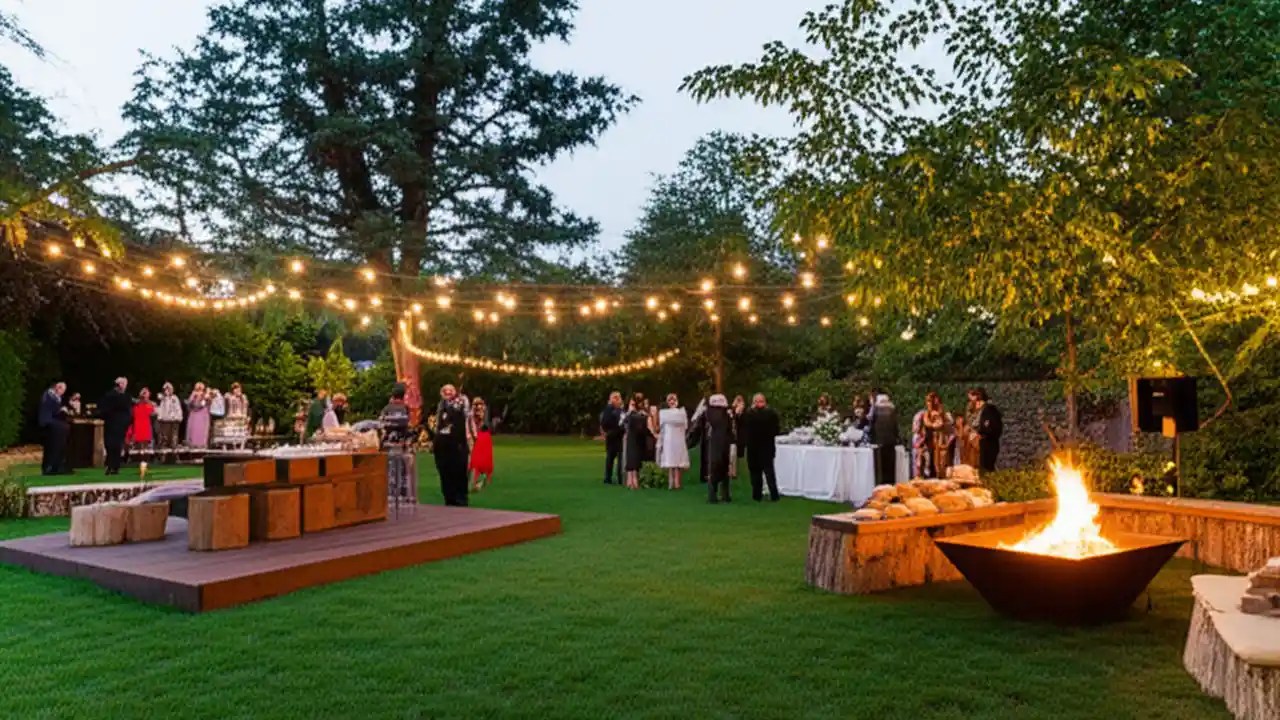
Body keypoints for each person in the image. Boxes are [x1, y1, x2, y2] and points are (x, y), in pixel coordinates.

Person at [430, 384, 470, 506]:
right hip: (442, 444)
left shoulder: (461, 401)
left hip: (457, 443)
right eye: (445, 391)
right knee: (444, 471)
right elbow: (437, 424)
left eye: (450, 390)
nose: (447, 392)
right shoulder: (441, 405)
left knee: (459, 471)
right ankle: (449, 497)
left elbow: (466, 415)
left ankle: (460, 498)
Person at [740, 393, 781, 502]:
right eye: (757, 401)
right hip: (759, 447)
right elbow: (776, 430)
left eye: (760, 401)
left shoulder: (752, 414)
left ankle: (760, 495)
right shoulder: (771, 413)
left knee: (764, 472)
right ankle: (769, 495)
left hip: (761, 447)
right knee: (760, 472)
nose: (758, 403)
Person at [702, 394, 737, 503]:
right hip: (724, 443)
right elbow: (730, 428)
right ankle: (725, 495)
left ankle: (713, 496)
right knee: (724, 469)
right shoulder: (726, 414)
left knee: (714, 469)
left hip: (715, 442)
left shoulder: (709, 413)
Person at [98, 377, 132, 475]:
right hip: (112, 423)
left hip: (121, 424)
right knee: (110, 444)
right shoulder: (110, 395)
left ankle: (115, 466)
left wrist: (127, 422)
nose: (124, 386)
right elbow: (104, 409)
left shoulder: (126, 396)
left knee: (117, 445)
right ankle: (110, 465)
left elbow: (128, 411)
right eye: (123, 384)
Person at [656, 393, 690, 490]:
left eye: (674, 400)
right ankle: (671, 483)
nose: (672, 402)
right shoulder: (664, 413)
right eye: (670, 400)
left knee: (678, 462)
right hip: (669, 439)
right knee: (671, 462)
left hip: (678, 438)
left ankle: (677, 482)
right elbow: (662, 427)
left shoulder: (681, 412)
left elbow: (685, 425)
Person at [38, 382, 70, 476]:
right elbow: (50, 409)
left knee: (59, 440)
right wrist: (61, 410)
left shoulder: (54, 396)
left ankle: (57, 465)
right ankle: (50, 467)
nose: (62, 394)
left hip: (53, 423)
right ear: (57, 388)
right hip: (48, 423)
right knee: (52, 445)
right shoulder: (49, 395)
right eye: (62, 391)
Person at [970, 387, 1004, 472]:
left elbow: (987, 427)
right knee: (986, 466)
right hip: (988, 441)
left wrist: (979, 433)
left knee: (986, 467)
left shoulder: (988, 410)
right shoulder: (989, 409)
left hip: (988, 442)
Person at [622, 393, 650, 490]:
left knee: (636, 458)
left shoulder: (641, 414)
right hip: (630, 438)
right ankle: (631, 481)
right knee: (631, 458)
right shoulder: (627, 414)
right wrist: (629, 412)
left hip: (638, 439)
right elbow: (622, 423)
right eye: (631, 404)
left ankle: (634, 480)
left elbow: (644, 426)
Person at [870, 393, 899, 486]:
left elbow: (872, 426)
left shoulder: (876, 410)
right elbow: (895, 427)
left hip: (879, 442)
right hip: (891, 442)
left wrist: (872, 439)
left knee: (880, 466)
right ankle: (891, 483)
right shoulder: (892, 410)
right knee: (890, 466)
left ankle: (881, 483)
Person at [469, 397, 495, 491]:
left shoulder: (477, 413)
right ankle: (478, 481)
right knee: (480, 461)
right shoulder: (476, 413)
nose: (478, 406)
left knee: (479, 461)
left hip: (481, 437)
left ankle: (478, 481)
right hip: (481, 436)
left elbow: (480, 423)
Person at [599, 391, 625, 485]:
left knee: (620, 459)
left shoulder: (622, 410)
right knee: (610, 458)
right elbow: (604, 422)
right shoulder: (608, 410)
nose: (617, 399)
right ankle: (608, 478)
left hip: (620, 437)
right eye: (615, 397)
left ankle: (620, 478)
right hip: (611, 436)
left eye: (618, 397)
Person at [155, 383, 183, 450]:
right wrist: (160, 416)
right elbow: (160, 408)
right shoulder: (162, 399)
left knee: (174, 434)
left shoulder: (175, 398)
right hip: (164, 420)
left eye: (169, 389)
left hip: (174, 419)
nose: (167, 391)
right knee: (164, 435)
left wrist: (178, 416)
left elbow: (178, 408)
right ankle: (163, 446)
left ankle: (173, 446)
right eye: (166, 389)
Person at [128, 387, 156, 452]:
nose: (145, 395)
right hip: (138, 427)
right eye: (144, 393)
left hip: (146, 427)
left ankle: (145, 458)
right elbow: (132, 414)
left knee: (146, 446)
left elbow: (153, 413)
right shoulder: (136, 404)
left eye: (146, 393)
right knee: (138, 446)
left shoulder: (150, 404)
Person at [223, 383, 250, 449]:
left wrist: (246, 416)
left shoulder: (243, 397)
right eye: (235, 389)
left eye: (238, 388)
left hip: (241, 416)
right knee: (231, 431)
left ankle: (241, 446)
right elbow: (226, 400)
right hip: (231, 416)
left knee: (241, 431)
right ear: (233, 390)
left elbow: (246, 407)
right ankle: (231, 446)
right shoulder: (230, 396)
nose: (237, 390)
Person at [186, 383, 210, 448]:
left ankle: (201, 444)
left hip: (202, 415)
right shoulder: (193, 396)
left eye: (201, 390)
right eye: (198, 390)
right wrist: (192, 396)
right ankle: (192, 443)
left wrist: (205, 398)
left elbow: (203, 404)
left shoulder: (205, 396)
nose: (199, 392)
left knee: (201, 429)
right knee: (193, 428)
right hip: (194, 415)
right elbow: (189, 404)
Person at [729, 395, 746, 479]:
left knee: (733, 454)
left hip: (736, 436)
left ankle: (733, 473)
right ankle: (730, 472)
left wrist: (739, 412)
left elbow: (741, 422)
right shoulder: (731, 411)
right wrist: (733, 409)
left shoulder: (743, 413)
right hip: (730, 435)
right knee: (731, 454)